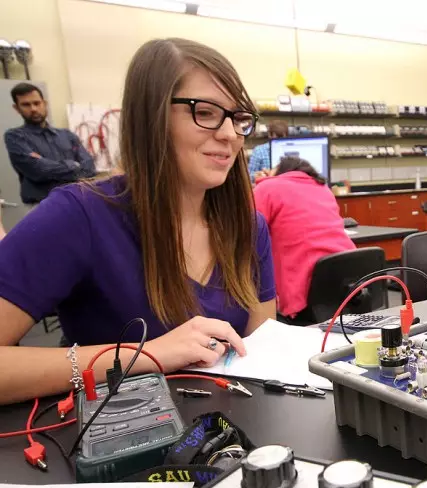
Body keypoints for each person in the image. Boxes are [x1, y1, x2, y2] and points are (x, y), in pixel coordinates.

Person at [0, 38, 277, 405]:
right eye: (206, 112)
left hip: (231, 438)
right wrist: (143, 355)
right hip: (118, 442)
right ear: (152, 117)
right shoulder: (78, 215)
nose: (229, 135)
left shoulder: (248, 226)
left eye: (239, 118)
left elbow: (262, 351)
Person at [254, 156, 355, 322]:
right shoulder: (323, 188)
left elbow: (246, 231)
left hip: (302, 293)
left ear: (279, 171)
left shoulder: (268, 187)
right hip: (346, 282)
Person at [4, 83, 97, 205]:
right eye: (26, 105)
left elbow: (89, 168)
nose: (33, 109)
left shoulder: (66, 135)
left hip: (76, 202)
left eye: (37, 103)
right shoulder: (15, 137)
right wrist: (73, 165)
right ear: (17, 108)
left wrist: (47, 163)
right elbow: (37, 171)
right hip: (42, 205)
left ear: (44, 103)